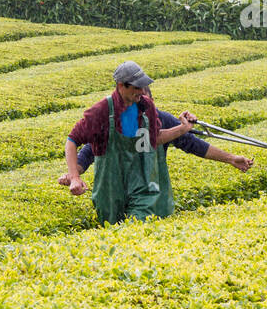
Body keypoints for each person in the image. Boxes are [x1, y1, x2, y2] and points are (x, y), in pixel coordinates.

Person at [60, 59, 252, 224]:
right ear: (121, 86)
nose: (141, 95)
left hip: (144, 191)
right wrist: (74, 175)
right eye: (137, 89)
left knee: (135, 231)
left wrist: (183, 129)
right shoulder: (102, 112)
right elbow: (78, 145)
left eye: (144, 90)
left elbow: (171, 141)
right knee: (112, 233)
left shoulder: (150, 111)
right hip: (110, 192)